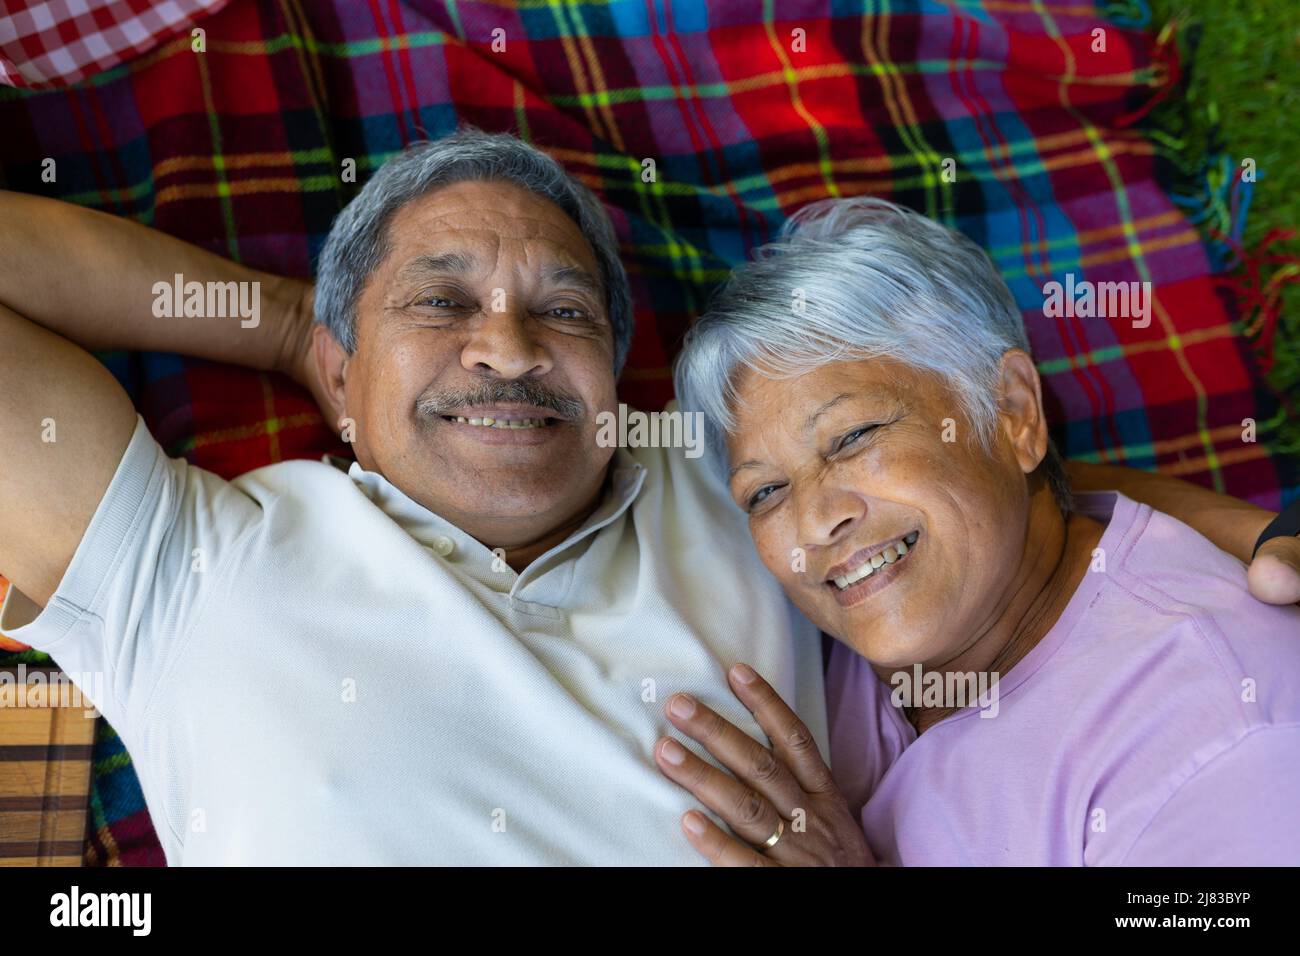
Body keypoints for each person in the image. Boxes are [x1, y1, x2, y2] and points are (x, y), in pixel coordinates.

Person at [0, 133, 1293, 864]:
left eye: (562, 310)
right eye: (438, 303)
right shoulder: (185, 564)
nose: (505, 348)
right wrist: (289, 329)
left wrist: (1241, 550)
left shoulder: (730, 489)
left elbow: (954, 484)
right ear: (344, 368)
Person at [661, 196, 1300, 866]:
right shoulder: (882, 596)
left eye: (853, 437)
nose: (817, 521)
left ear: (1015, 413)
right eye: (765, 491)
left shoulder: (1225, 744)